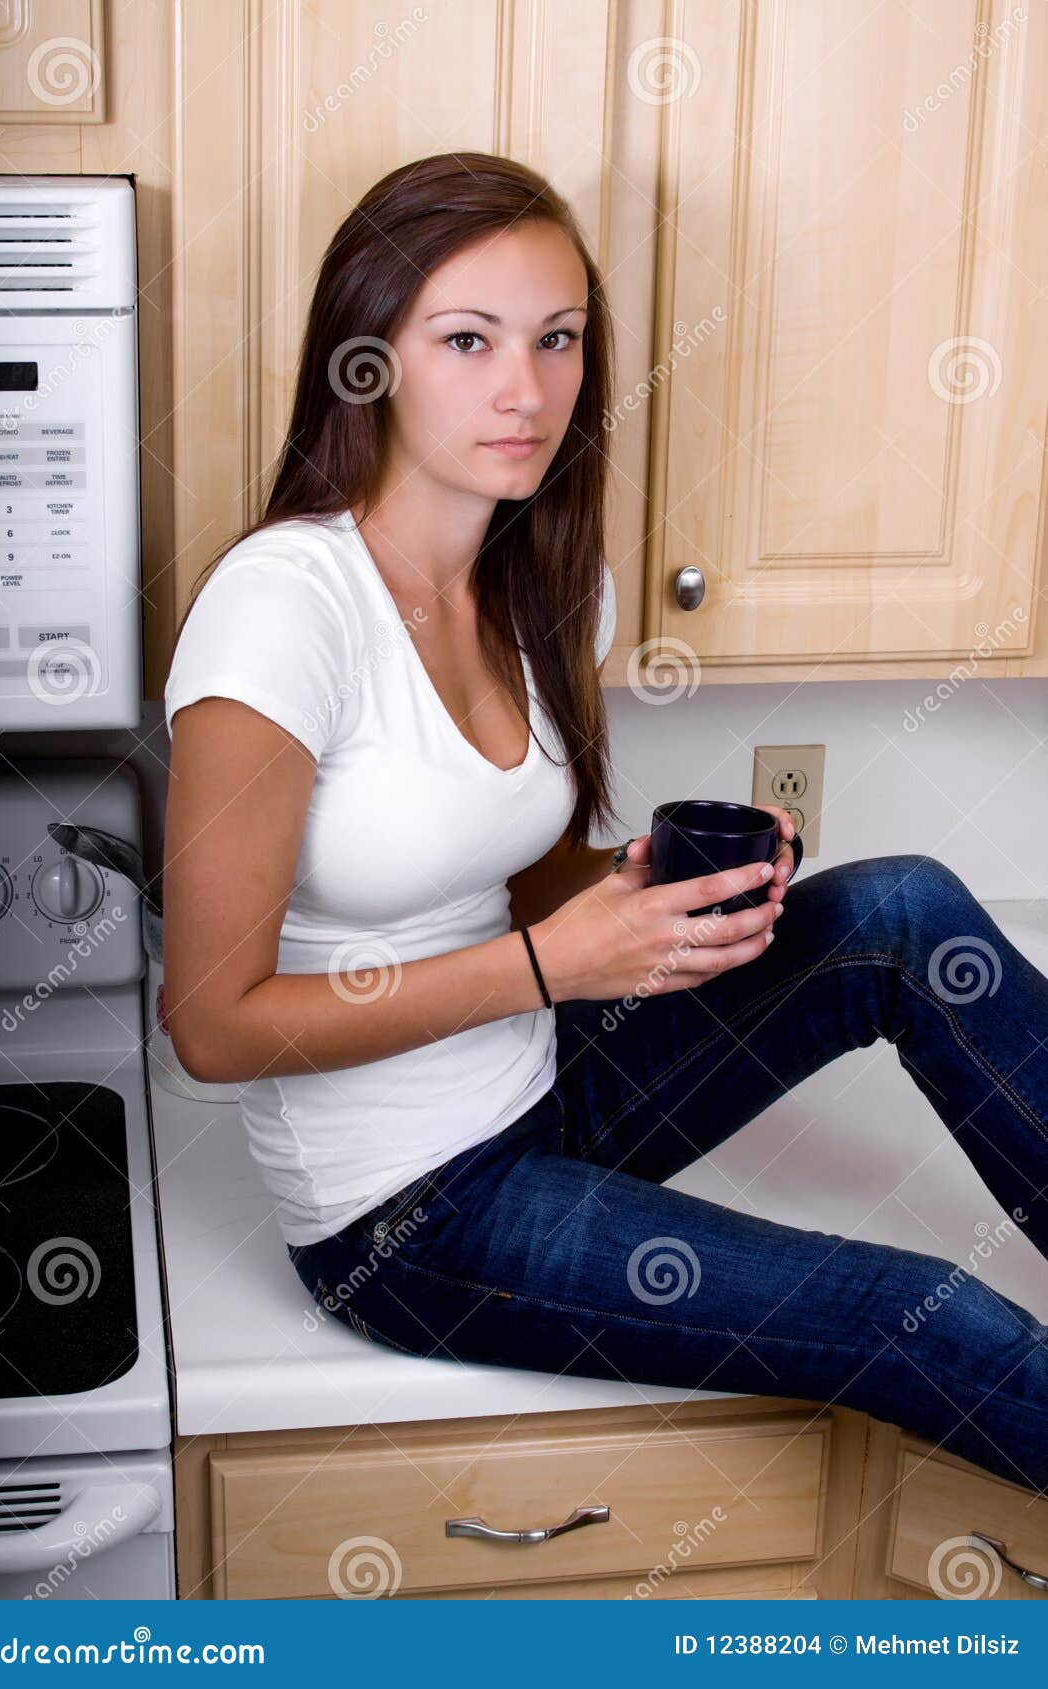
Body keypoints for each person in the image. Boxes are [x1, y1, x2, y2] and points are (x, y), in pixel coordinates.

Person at [163, 151, 1048, 1496]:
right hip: (410, 1216)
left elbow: (509, 873)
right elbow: (211, 1024)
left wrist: (632, 890)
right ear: (370, 359)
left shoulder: (550, 581)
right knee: (906, 1311)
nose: (525, 388)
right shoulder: (284, 609)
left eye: (558, 338)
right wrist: (551, 967)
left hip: (554, 1080)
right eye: (468, 339)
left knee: (905, 908)